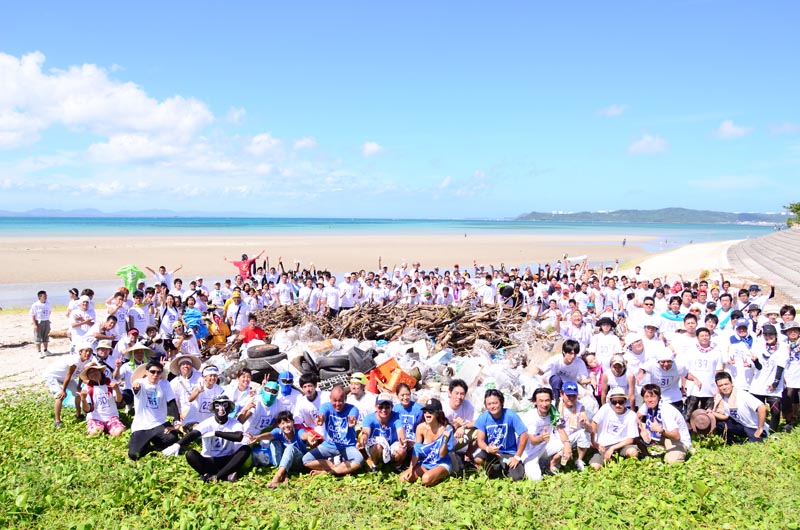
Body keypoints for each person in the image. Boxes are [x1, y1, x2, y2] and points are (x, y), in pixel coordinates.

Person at [162, 395, 251, 482]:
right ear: (214, 408)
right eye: (217, 406)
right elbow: (194, 433)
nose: (221, 409)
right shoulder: (208, 423)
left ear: (229, 408)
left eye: (224, 405)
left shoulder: (234, 423)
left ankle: (217, 477)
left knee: (245, 450)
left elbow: (238, 436)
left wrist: (217, 433)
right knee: (190, 454)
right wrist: (178, 444)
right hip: (209, 459)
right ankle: (224, 475)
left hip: (226, 459)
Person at [302, 385, 364, 476]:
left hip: (347, 447)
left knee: (359, 459)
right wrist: (320, 419)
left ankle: (328, 472)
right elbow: (322, 414)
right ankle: (338, 466)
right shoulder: (326, 407)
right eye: (335, 400)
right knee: (306, 460)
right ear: (330, 398)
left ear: (345, 399)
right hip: (328, 446)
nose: (337, 404)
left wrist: (352, 420)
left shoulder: (352, 409)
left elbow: (353, 415)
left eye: (340, 401)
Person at [246, 410, 318, 488]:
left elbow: (304, 435)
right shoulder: (279, 432)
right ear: (279, 425)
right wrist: (256, 438)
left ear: (293, 422)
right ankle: (285, 474)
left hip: (300, 463)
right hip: (286, 463)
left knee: (290, 448)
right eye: (283, 423)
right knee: (274, 442)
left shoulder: (299, 431)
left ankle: (277, 477)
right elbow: (269, 435)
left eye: (288, 422)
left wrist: (309, 437)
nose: (286, 425)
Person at [127, 360, 181, 460]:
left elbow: (171, 402)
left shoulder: (164, 384)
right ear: (146, 372)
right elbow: (136, 388)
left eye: (158, 372)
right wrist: (136, 388)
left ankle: (154, 440)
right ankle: (142, 441)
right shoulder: (140, 383)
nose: (155, 374)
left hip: (159, 423)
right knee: (134, 455)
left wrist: (176, 421)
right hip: (141, 426)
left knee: (173, 439)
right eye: (152, 372)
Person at [474, 389, 529, 481]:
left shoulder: (510, 415)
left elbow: (524, 435)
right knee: (478, 459)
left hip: (507, 454)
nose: (492, 406)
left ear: (501, 402)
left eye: (495, 403)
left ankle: (501, 466)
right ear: (486, 405)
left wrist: (517, 457)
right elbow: (480, 441)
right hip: (491, 453)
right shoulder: (483, 418)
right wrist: (488, 448)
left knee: (517, 477)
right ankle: (492, 469)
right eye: (489, 404)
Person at [400, 398, 454, 487]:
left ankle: (439, 475)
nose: (427, 414)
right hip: (427, 462)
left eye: (431, 411)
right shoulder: (420, 428)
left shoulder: (447, 429)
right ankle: (431, 474)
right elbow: (416, 450)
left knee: (426, 479)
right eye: (425, 411)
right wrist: (411, 468)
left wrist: (445, 441)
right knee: (403, 478)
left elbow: (442, 455)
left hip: (442, 463)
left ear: (438, 413)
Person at [520, 387, 571, 480]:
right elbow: (532, 441)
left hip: (544, 445)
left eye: (547, 400)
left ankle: (551, 465)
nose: (544, 404)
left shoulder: (552, 411)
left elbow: (560, 429)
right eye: (541, 401)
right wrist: (541, 438)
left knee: (563, 445)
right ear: (535, 402)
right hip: (530, 451)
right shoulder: (530, 417)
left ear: (551, 401)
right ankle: (535, 465)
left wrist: (567, 445)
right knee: (536, 479)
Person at [42, 342, 94, 428]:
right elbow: (69, 374)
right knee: (60, 395)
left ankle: (78, 414)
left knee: (78, 393)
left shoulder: (88, 360)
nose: (88, 353)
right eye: (86, 351)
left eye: (90, 351)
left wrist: (79, 385)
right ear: (80, 352)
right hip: (53, 375)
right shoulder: (76, 360)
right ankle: (57, 421)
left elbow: (82, 373)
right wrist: (63, 390)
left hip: (67, 377)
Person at [748, 324, 788, 433]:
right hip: (758, 384)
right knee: (757, 411)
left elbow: (780, 367)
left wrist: (775, 383)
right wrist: (755, 361)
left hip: (774, 385)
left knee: (775, 411)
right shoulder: (759, 346)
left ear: (776, 335)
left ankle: (772, 432)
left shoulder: (782, 347)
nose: (768, 337)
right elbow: (759, 367)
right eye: (766, 334)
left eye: (771, 334)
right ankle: (758, 430)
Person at [637, 384, 691, 464]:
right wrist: (642, 429)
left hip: (678, 441)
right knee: (634, 427)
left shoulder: (665, 411)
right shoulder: (646, 406)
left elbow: (677, 436)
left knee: (672, 461)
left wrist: (661, 431)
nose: (649, 400)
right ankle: (646, 454)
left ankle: (680, 452)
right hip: (662, 435)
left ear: (659, 397)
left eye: (653, 396)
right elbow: (635, 417)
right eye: (646, 397)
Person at [588, 387, 640, 470]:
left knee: (633, 453)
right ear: (610, 401)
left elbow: (630, 439)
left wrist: (612, 448)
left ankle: (625, 466)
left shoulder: (631, 415)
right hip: (604, 445)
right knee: (594, 467)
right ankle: (610, 459)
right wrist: (594, 442)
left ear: (625, 401)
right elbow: (594, 423)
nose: (617, 405)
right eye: (614, 402)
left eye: (621, 402)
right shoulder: (605, 408)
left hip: (622, 444)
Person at [711, 371, 768, 443]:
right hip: (742, 426)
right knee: (720, 424)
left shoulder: (742, 395)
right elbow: (726, 416)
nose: (724, 387)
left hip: (753, 427)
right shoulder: (723, 398)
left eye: (726, 384)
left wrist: (760, 428)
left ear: (732, 383)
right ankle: (734, 442)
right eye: (721, 385)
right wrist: (712, 413)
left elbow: (761, 407)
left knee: (756, 444)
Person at [533, 339, 591, 404]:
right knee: (556, 379)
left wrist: (592, 379)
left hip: (569, 386)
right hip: (556, 384)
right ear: (564, 352)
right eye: (570, 353)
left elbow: (582, 380)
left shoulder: (579, 363)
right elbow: (542, 372)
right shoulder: (556, 359)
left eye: (575, 354)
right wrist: (538, 370)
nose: (573, 357)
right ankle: (556, 400)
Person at [359, 393, 406, 471]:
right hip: (375, 448)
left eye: (387, 407)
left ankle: (396, 467)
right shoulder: (369, 418)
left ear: (392, 407)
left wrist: (402, 441)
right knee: (378, 447)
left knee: (402, 450)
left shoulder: (397, 417)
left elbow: (400, 431)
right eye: (381, 407)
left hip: (391, 447)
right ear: (375, 406)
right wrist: (364, 436)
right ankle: (375, 465)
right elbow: (366, 430)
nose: (384, 410)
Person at [78, 362, 126, 437]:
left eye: (95, 370)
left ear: (100, 371)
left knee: (119, 432)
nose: (94, 373)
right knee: (94, 433)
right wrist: (83, 399)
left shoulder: (111, 383)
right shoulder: (87, 388)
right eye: (90, 373)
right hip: (95, 418)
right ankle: (103, 428)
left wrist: (116, 389)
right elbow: (87, 409)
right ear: (88, 376)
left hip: (111, 417)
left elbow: (119, 401)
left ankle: (110, 428)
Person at [556, 381, 592, 471]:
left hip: (572, 436)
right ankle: (558, 465)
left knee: (585, 433)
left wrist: (585, 423)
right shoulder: (556, 405)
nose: (571, 398)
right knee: (560, 455)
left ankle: (579, 460)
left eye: (574, 396)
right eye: (568, 396)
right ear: (562, 394)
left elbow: (590, 429)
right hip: (558, 436)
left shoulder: (580, 406)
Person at [781, 321, 800, 431]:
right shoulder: (783, 345)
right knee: (787, 399)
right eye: (790, 331)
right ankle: (789, 421)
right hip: (788, 376)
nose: (793, 332)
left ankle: (797, 417)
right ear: (786, 333)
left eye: (795, 330)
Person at [31, 290, 53, 358]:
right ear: (39, 297)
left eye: (46, 295)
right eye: (44, 296)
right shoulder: (35, 305)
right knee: (38, 337)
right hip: (38, 322)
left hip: (46, 321)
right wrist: (35, 324)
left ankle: (46, 350)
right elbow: (33, 315)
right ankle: (39, 351)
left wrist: (48, 320)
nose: (46, 297)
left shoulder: (48, 303)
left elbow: (49, 312)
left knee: (46, 336)